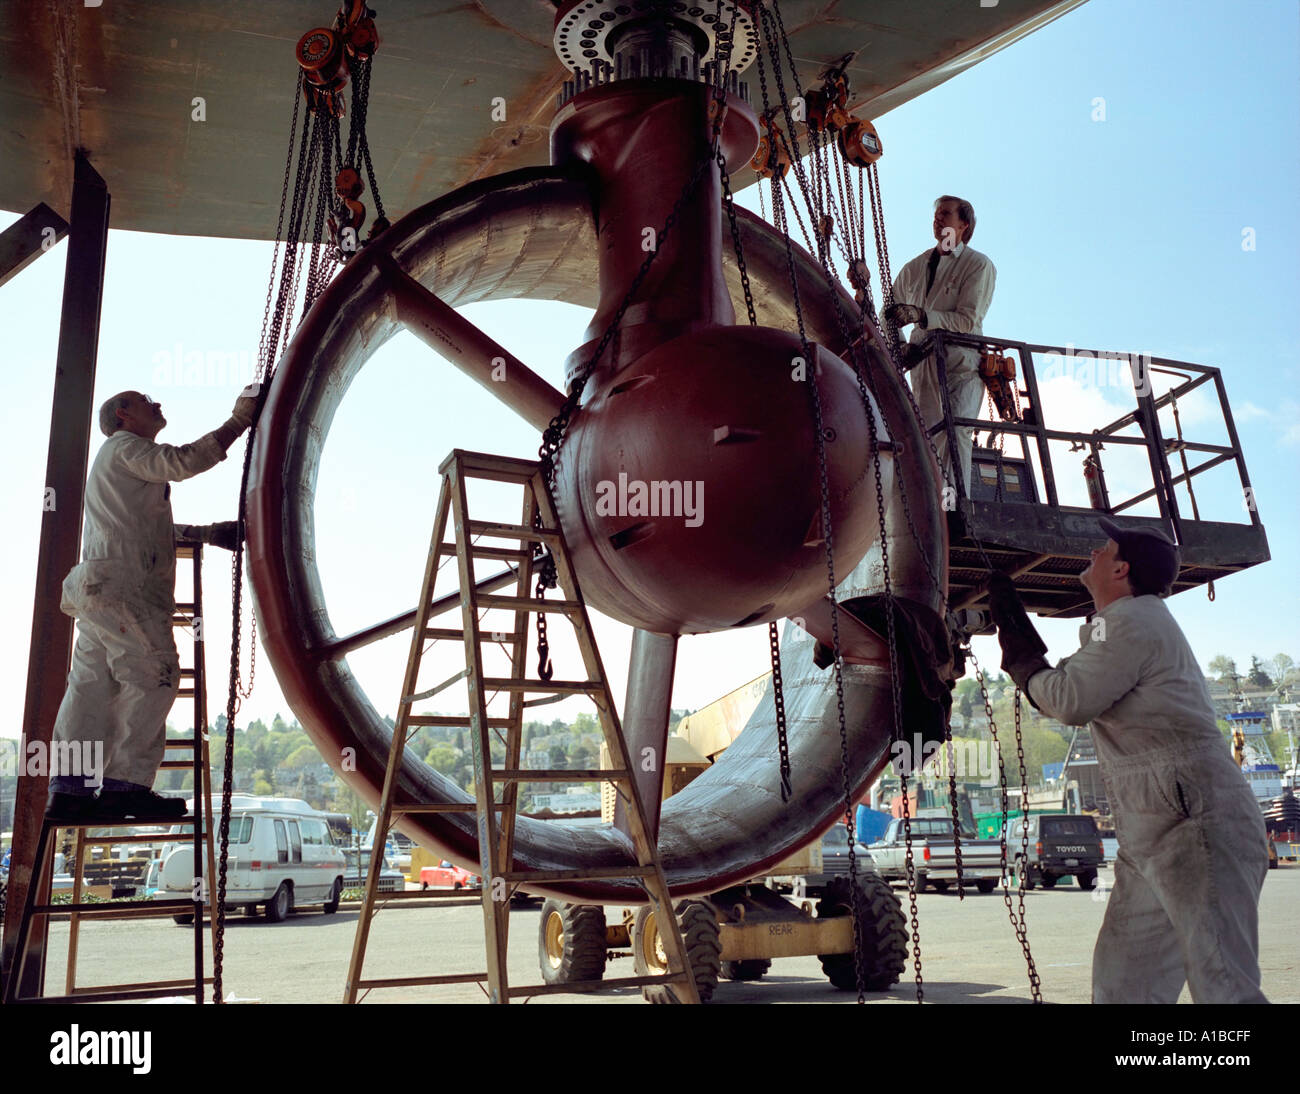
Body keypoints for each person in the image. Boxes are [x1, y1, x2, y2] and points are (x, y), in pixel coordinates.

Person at [987, 518, 1269, 1004]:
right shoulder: (1119, 626)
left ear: (1121, 569)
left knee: (1223, 984)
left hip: (1195, 822)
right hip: (1156, 830)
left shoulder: (1134, 620)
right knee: (1124, 985)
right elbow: (1074, 684)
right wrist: (1028, 658)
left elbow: (1070, 699)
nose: (1093, 553)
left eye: (1104, 548)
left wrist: (1023, 659)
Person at [45, 386, 260, 823]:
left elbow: (139, 532)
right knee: (156, 676)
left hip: (97, 589)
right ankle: (126, 787)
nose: (157, 404)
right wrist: (239, 421)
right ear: (124, 415)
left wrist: (206, 533)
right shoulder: (127, 447)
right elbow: (180, 463)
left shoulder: (113, 462)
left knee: (92, 686)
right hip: (126, 591)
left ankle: (71, 791)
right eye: (146, 400)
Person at [883, 195, 997, 494]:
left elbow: (967, 320)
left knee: (956, 431)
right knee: (926, 437)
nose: (938, 218)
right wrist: (900, 346)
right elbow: (889, 312)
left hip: (960, 364)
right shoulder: (915, 267)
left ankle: (956, 509)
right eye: (936, 214)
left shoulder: (978, 265)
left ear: (964, 225)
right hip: (922, 364)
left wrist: (922, 315)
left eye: (946, 214)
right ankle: (930, 507)